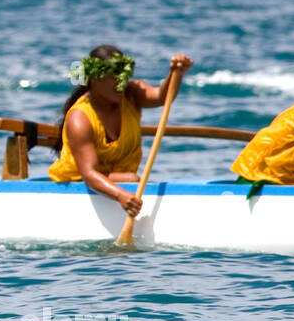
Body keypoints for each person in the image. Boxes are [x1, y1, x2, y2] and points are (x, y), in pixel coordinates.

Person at [48, 45, 194, 216]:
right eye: (114, 75)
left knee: (131, 179)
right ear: (94, 78)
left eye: (123, 74)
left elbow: (162, 96)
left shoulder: (132, 94)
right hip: (78, 184)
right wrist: (120, 195)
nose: (121, 81)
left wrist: (176, 74)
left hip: (123, 182)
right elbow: (89, 174)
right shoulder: (80, 118)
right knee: (131, 179)